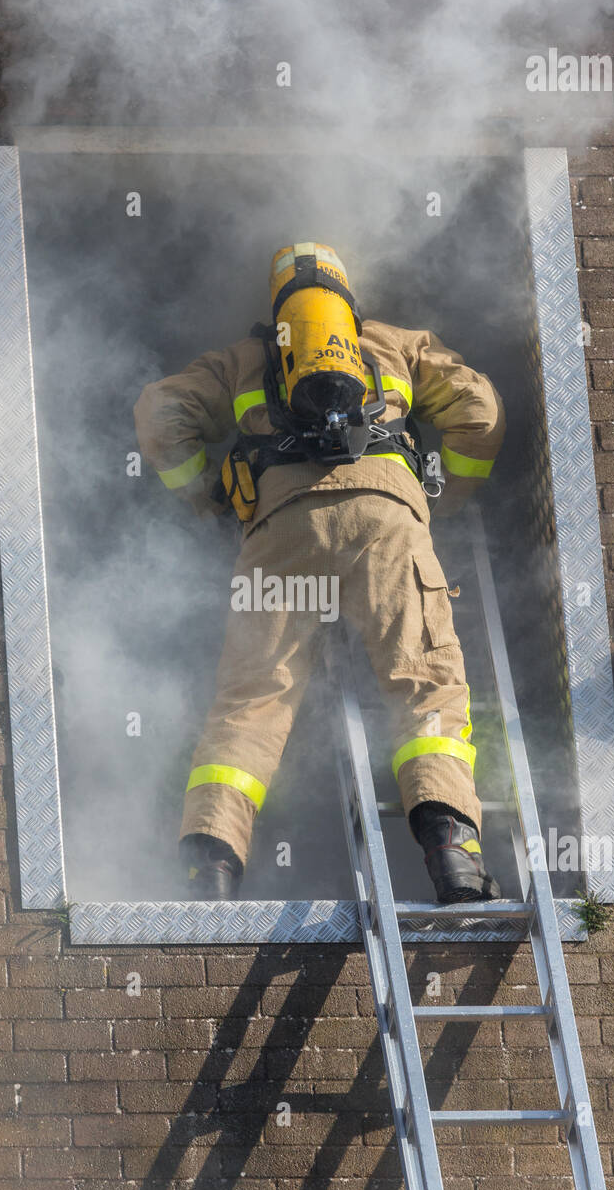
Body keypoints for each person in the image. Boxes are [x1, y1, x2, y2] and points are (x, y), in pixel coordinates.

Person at [133, 242, 505, 904]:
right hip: (388, 526)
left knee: (251, 703)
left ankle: (211, 872)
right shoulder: (393, 344)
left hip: (283, 534)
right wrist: (438, 507)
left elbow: (160, 414)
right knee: (426, 688)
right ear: (346, 299)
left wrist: (209, 499)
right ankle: (455, 860)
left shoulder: (244, 360)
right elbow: (479, 413)